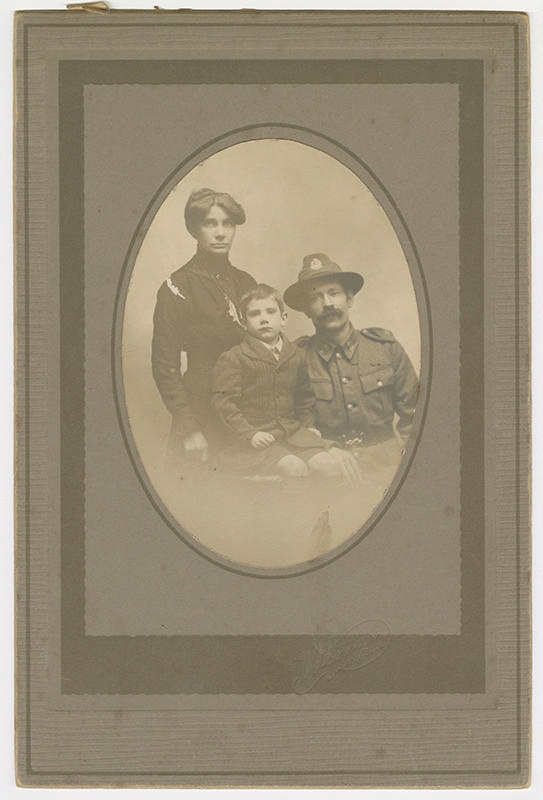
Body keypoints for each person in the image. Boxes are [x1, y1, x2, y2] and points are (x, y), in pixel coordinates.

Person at [283, 253, 419, 489]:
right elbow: (286, 422)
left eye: (333, 293)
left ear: (350, 299)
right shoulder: (297, 358)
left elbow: (416, 416)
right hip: (327, 475)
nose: (327, 304)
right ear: (306, 310)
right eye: (316, 297)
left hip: (389, 473)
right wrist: (324, 451)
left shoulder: (385, 348)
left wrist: (408, 466)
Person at [151, 188, 256, 467]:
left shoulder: (247, 283)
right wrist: (190, 428)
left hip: (247, 408)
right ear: (194, 229)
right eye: (210, 224)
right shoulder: (177, 287)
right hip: (201, 409)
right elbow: (165, 366)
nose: (220, 233)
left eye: (227, 224)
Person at [211, 284, 337, 482]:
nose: (263, 319)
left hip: (292, 434)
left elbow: (305, 398)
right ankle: (287, 513)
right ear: (244, 323)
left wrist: (307, 425)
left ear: (283, 318)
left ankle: (318, 513)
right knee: (294, 468)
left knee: (328, 465)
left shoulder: (296, 354)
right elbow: (224, 404)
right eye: (254, 314)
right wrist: (250, 434)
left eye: (270, 312)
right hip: (254, 440)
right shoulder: (234, 357)